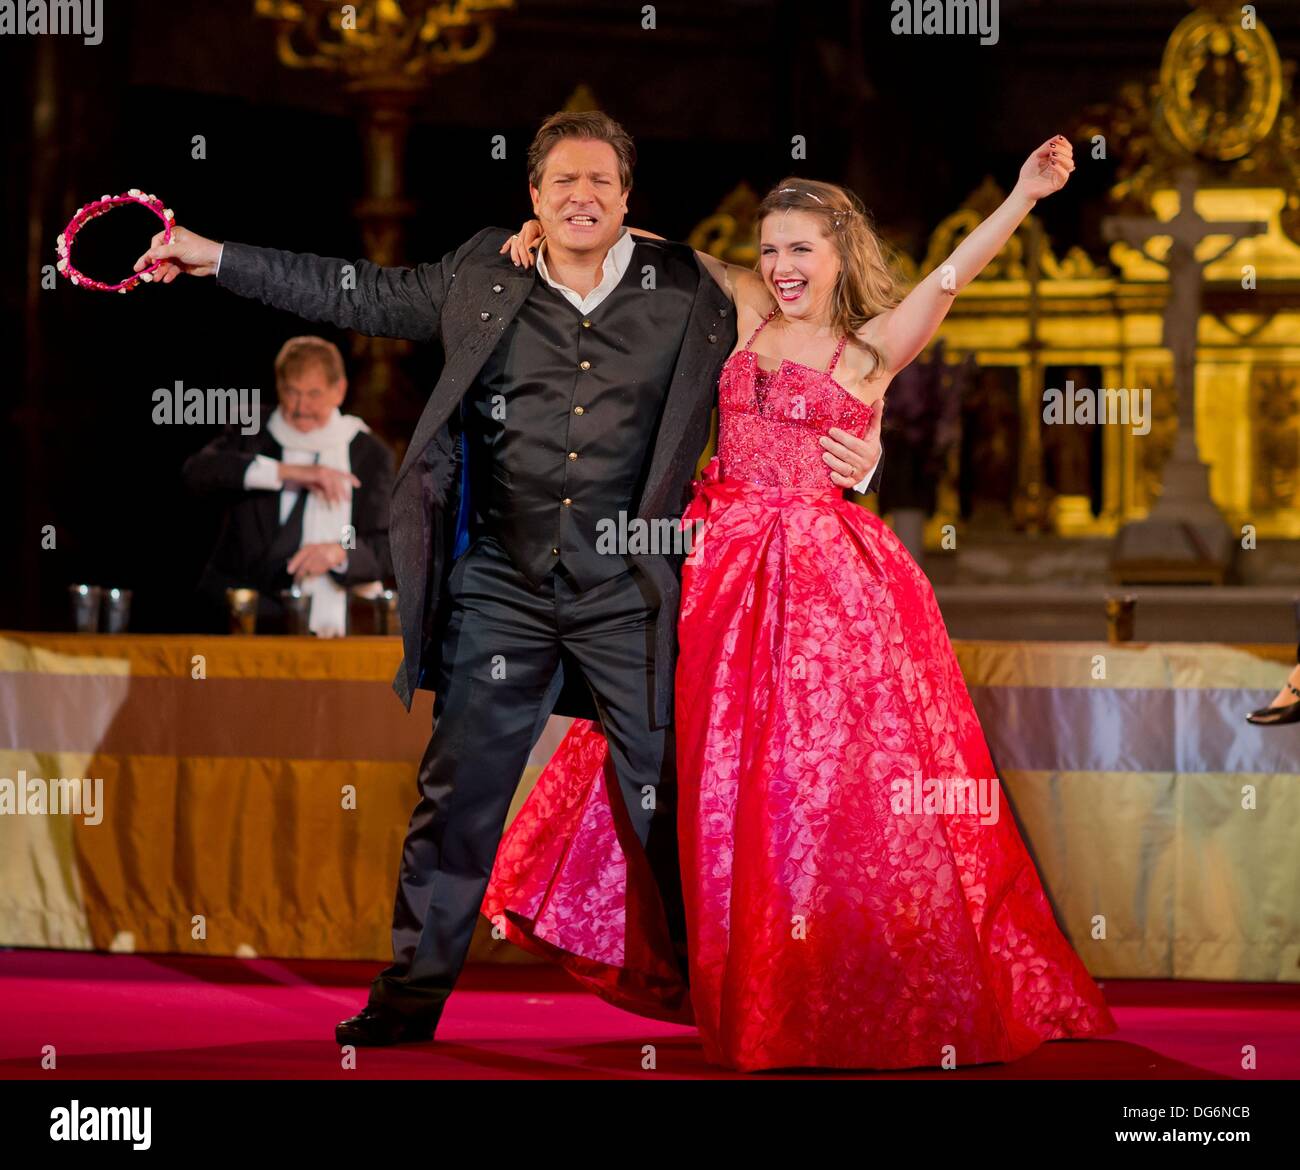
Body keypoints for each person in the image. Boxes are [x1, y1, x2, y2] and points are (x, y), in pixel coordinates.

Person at [136, 109, 884, 1046]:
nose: (581, 197)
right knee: (458, 796)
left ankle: (726, 998)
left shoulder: (688, 288)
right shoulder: (482, 272)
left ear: (626, 201)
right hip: (503, 585)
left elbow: (816, 336)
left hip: (630, 592)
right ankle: (409, 999)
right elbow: (355, 291)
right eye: (562, 182)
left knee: (667, 802)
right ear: (531, 196)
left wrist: (870, 434)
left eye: (600, 184)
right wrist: (213, 257)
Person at [485, 138, 1121, 1072]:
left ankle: (815, 986)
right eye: (771, 250)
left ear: (838, 255)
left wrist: (1025, 193)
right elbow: (656, 248)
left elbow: (949, 277)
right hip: (713, 568)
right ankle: (728, 973)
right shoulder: (742, 312)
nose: (783, 268)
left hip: (827, 585)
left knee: (815, 790)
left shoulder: (869, 351)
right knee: (693, 769)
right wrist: (558, 225)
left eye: (801, 252)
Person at [183, 336, 394, 635]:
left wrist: (339, 552)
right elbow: (197, 473)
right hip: (238, 610)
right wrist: (287, 472)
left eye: (313, 394)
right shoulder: (251, 426)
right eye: (291, 392)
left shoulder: (369, 454)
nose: (299, 408)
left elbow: (386, 546)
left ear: (339, 390)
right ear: (279, 386)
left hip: (329, 623)